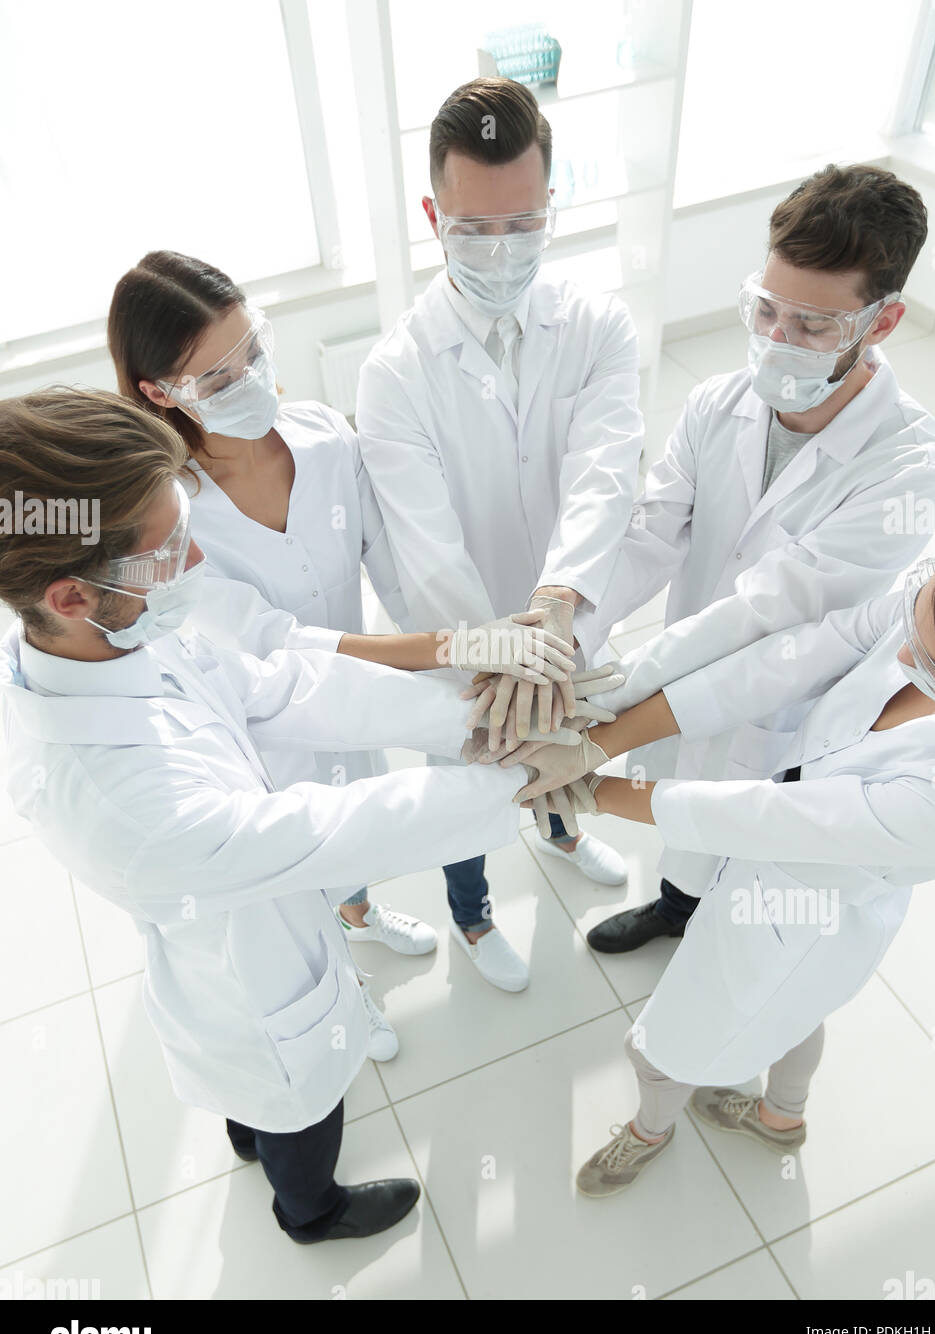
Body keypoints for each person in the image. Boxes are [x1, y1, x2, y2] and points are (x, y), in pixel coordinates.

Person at [0, 387, 570, 1242]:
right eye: (169, 554)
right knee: (300, 1107)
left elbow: (281, 690)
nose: (198, 568)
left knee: (254, 1104)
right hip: (246, 976)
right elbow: (336, 828)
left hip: (240, 933)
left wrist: (474, 723)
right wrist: (526, 776)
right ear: (70, 595)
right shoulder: (119, 799)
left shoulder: (116, 635)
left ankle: (250, 1135)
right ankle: (313, 1211)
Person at [104, 252, 615, 1042]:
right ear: (158, 393)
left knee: (390, 808)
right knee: (304, 866)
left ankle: (424, 917)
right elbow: (279, 645)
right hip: (269, 727)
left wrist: (477, 663)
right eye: (217, 378)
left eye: (253, 351)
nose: (249, 380)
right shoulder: (172, 518)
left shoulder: (321, 438)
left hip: (361, 691)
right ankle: (344, 983)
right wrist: (455, 646)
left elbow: (394, 561)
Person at [483, 535, 935, 1192]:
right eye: (911, 628)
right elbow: (785, 661)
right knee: (800, 1013)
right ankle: (781, 1117)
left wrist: (596, 790)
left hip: (804, 910)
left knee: (662, 1046)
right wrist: (603, 735)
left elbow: (772, 819)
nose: (898, 656)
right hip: (795, 884)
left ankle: (647, 1132)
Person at [574, 164, 935, 955]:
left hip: (783, 708)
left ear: (880, 324)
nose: (777, 340)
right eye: (766, 309)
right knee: (685, 817)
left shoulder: (910, 468)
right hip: (688, 675)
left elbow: (770, 608)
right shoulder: (719, 402)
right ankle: (674, 908)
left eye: (814, 327)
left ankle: (711, 932)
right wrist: (567, 632)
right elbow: (651, 532)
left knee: (746, 859)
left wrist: (611, 696)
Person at [357, 76, 644, 991]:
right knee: (469, 776)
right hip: (467, 642)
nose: (499, 249)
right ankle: (473, 917)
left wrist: (557, 616)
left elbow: (606, 476)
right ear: (431, 212)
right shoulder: (394, 373)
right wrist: (507, 663)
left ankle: (562, 829)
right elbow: (427, 551)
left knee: (563, 741)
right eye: (473, 229)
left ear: (550, 206)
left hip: (568, 620)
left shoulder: (596, 326)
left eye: (520, 225)